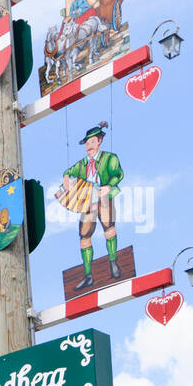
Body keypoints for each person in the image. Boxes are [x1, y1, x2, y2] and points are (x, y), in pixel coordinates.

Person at [63, 122, 123, 291]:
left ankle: (113, 263)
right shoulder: (81, 164)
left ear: (99, 141)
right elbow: (69, 172)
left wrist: (108, 186)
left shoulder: (110, 158)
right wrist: (66, 177)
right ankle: (88, 275)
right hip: (88, 201)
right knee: (84, 235)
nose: (89, 146)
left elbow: (118, 174)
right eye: (87, 143)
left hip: (103, 197)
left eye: (92, 142)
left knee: (109, 227)